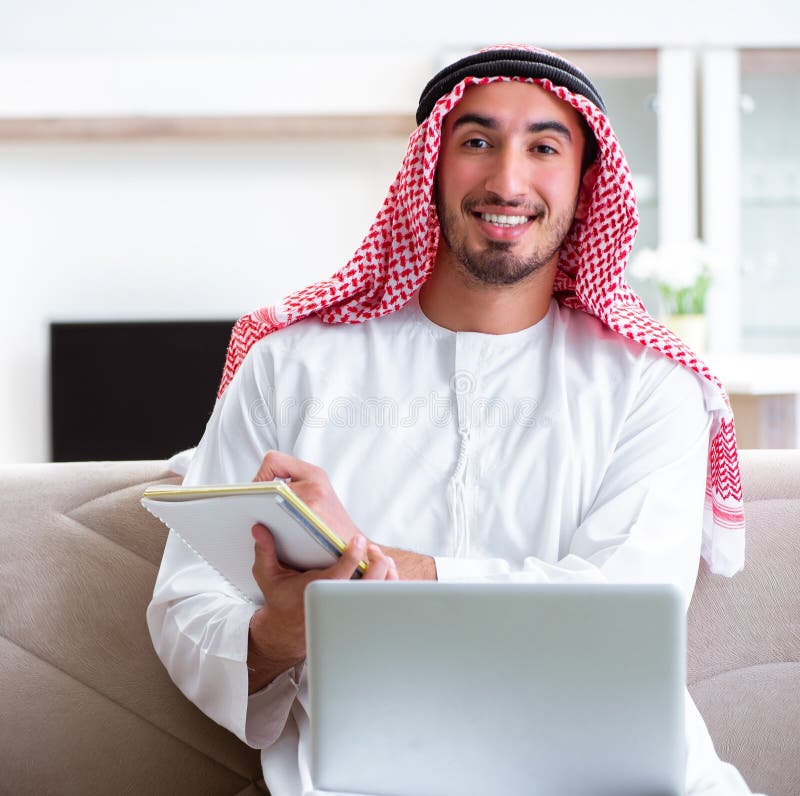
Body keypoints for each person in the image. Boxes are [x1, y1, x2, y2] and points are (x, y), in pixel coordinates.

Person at [148, 46, 757, 795]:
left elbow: (620, 615)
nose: (507, 180)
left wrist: (373, 572)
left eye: (544, 147)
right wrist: (284, 630)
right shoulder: (288, 366)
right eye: (476, 142)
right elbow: (187, 603)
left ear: (585, 180)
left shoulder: (653, 386)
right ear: (430, 166)